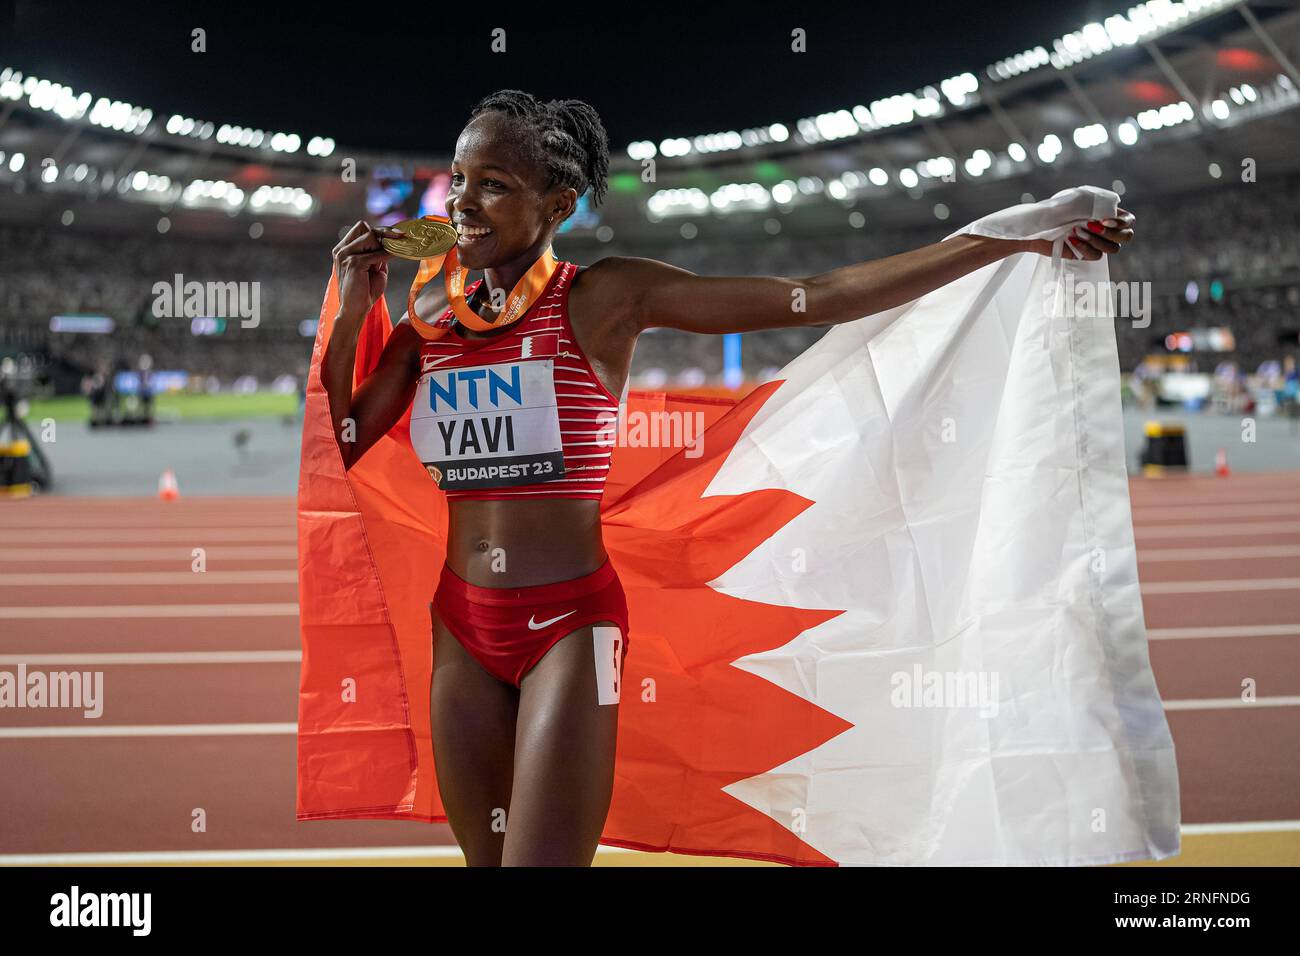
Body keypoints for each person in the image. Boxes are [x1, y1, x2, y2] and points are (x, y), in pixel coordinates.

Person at [322, 89, 1136, 867]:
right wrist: (359, 304)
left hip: (569, 628)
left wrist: (1006, 237)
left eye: (494, 185)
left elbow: (814, 297)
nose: (463, 202)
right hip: (460, 623)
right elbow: (348, 435)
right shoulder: (433, 319)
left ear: (559, 206)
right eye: (459, 179)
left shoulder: (604, 299)